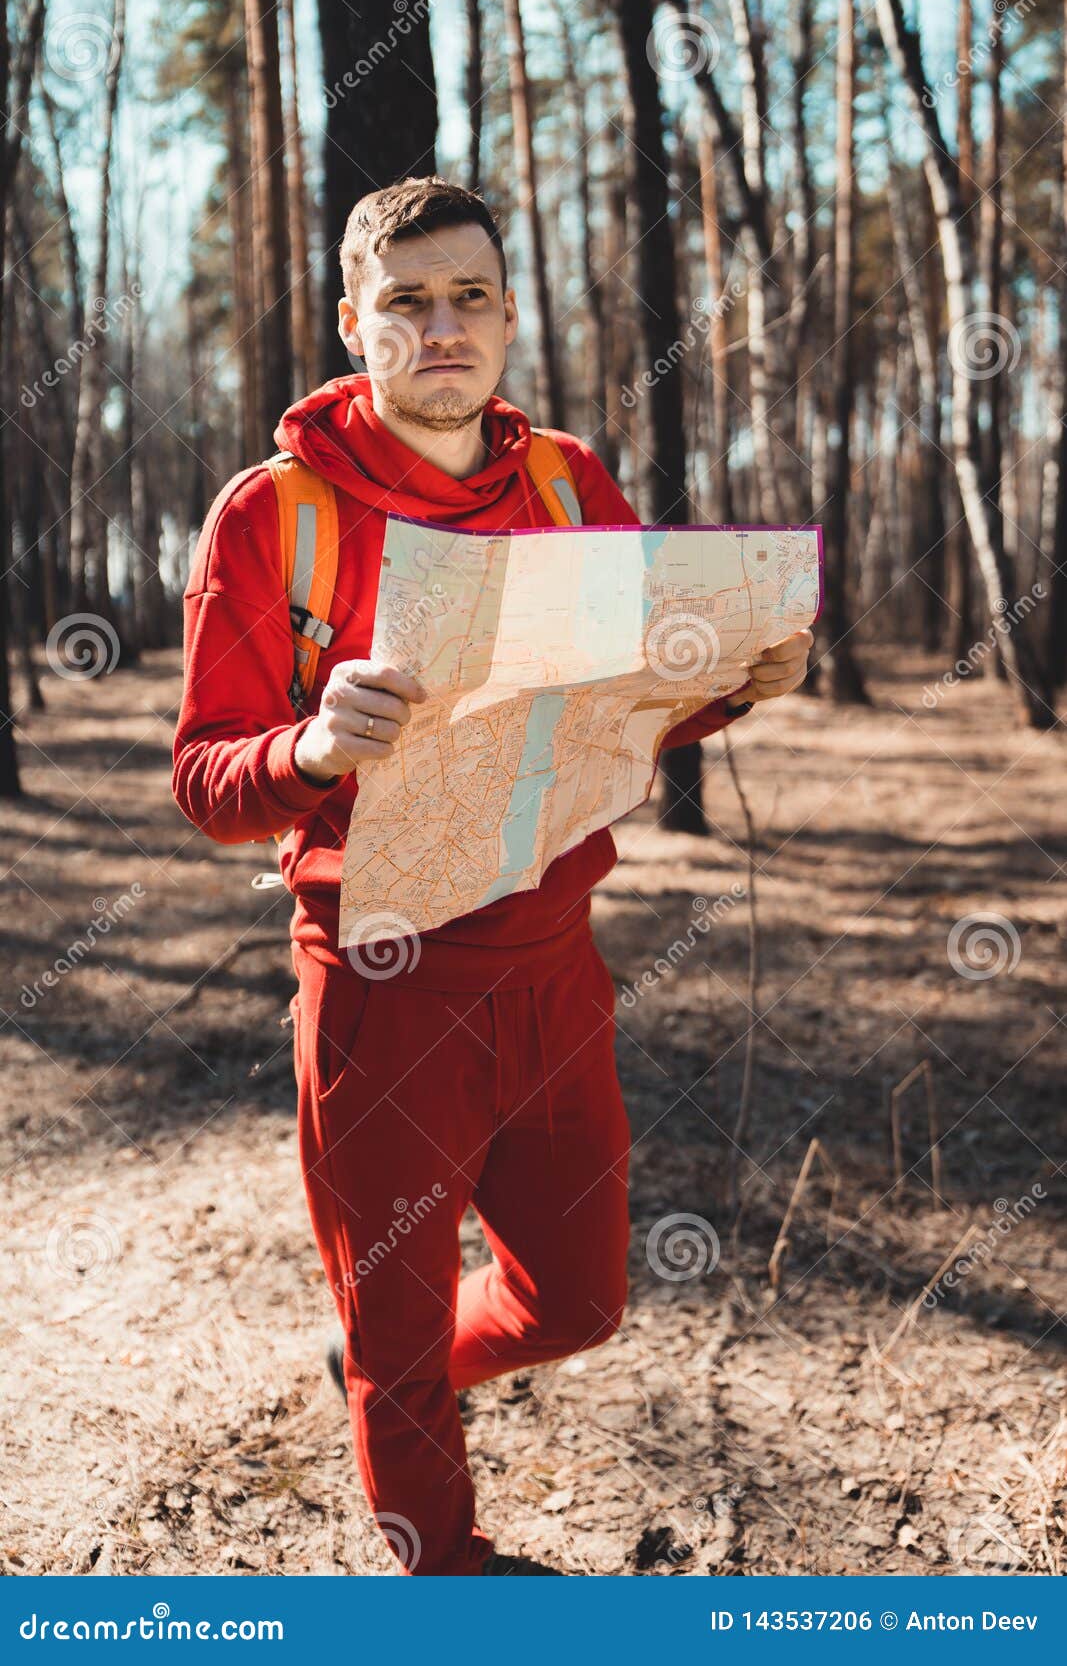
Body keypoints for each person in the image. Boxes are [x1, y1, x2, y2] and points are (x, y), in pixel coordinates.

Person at [172, 176, 812, 1577]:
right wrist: (313, 742)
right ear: (355, 323)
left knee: (579, 1302)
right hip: (381, 982)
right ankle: (447, 1564)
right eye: (405, 302)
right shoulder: (274, 519)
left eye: (470, 296)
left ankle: (386, 1373)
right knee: (399, 1342)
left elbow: (629, 703)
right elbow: (206, 777)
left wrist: (741, 676)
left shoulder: (568, 483)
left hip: (556, 966)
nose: (441, 326)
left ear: (513, 317)